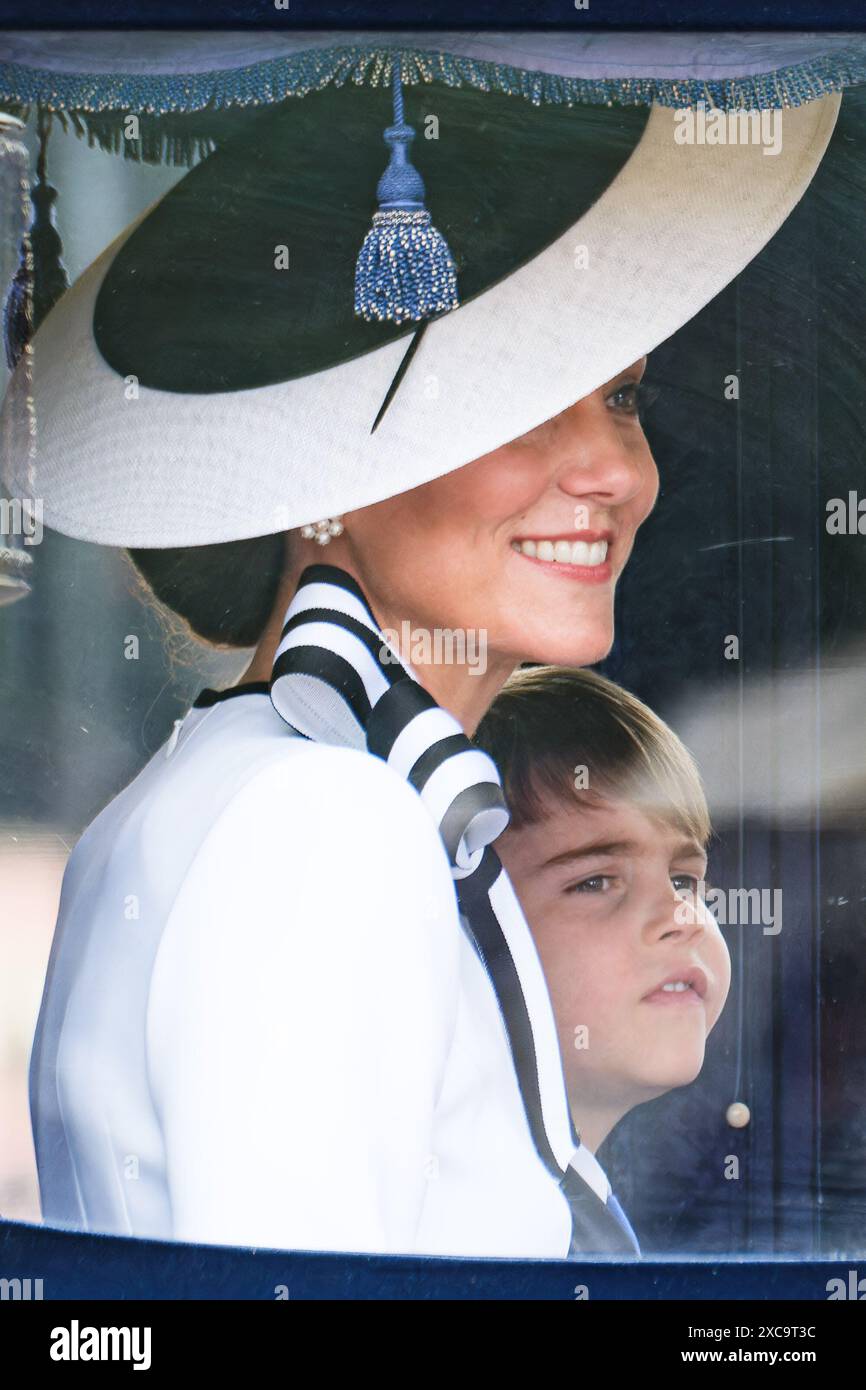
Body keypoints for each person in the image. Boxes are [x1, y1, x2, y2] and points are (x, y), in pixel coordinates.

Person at [7, 37, 840, 1259]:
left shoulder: (261, 787)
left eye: (620, 394)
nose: (614, 470)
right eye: (513, 404)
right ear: (315, 471)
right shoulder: (325, 823)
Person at [474, 666, 731, 1223]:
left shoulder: (561, 1206)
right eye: (594, 882)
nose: (680, 917)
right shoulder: (481, 1227)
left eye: (684, 880)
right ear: (467, 933)